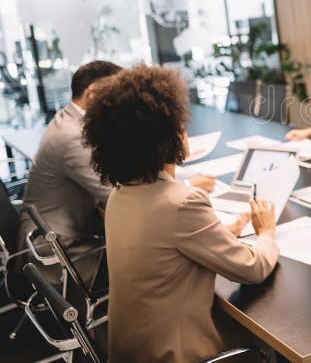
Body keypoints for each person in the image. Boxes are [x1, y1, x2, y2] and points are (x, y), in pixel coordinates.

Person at [82, 65, 279, 362]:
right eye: (177, 123)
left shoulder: (118, 196)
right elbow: (251, 269)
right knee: (270, 346)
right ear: (165, 137)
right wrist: (266, 234)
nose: (184, 129)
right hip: (175, 353)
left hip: (130, 351)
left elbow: (164, 247)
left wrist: (225, 232)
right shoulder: (181, 203)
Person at [16, 61, 216, 285]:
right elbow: (129, 197)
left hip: (59, 236)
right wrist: (185, 187)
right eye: (114, 92)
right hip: (62, 255)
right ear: (92, 92)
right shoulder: (72, 136)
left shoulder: (68, 120)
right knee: (172, 258)